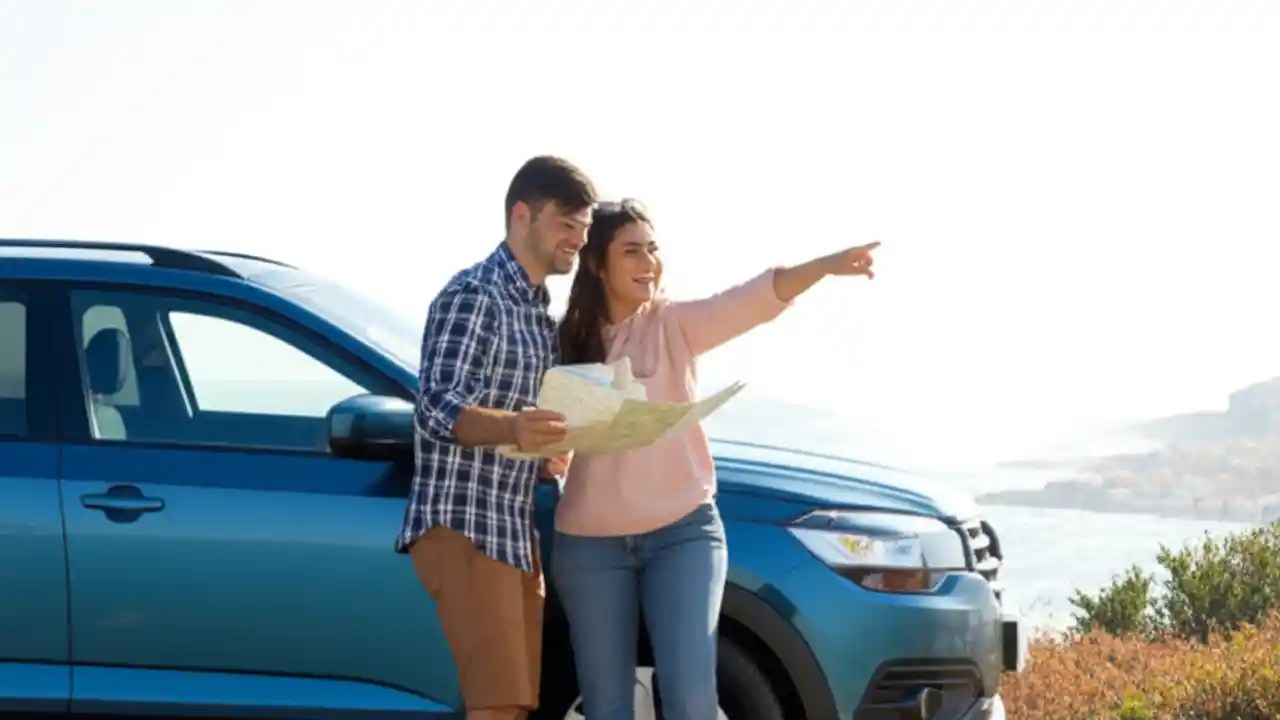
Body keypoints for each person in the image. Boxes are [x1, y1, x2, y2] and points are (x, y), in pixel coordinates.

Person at [551, 199, 880, 720]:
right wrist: (550, 454)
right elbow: (551, 439)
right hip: (590, 546)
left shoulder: (676, 326)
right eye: (631, 251)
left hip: (683, 535)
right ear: (597, 265)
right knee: (607, 708)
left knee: (692, 704)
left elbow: (750, 299)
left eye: (653, 250)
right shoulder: (563, 342)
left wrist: (824, 266)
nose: (648, 263)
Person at [394, 155, 597, 720]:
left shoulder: (536, 313)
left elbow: (517, 424)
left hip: (510, 530)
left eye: (583, 230)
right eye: (566, 225)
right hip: (462, 527)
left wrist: (542, 453)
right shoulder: (474, 295)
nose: (577, 241)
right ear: (522, 216)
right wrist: (513, 426)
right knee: (499, 706)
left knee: (513, 706)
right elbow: (436, 405)